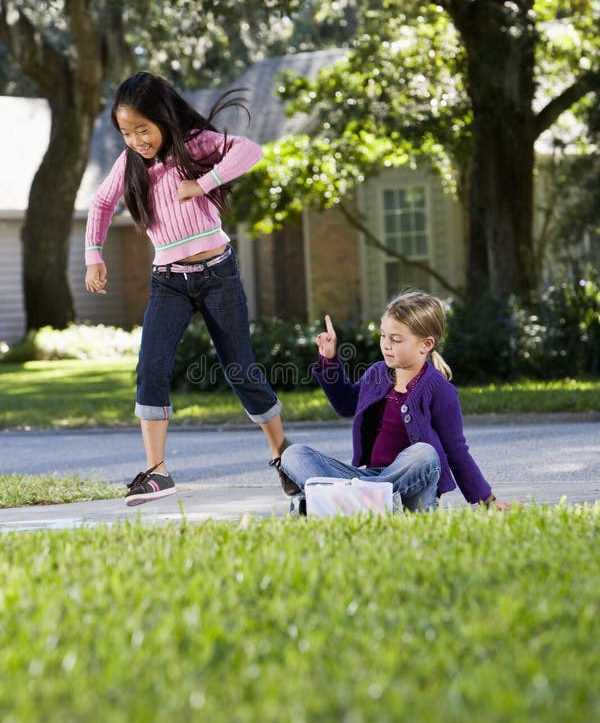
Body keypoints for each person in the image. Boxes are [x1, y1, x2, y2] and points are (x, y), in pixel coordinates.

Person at [85, 71, 296, 505]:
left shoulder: (194, 143)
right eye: (126, 132)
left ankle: (282, 453)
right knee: (151, 368)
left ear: (163, 118)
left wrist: (203, 183)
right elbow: (102, 202)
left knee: (240, 370)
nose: (136, 140)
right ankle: (157, 471)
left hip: (218, 274)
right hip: (169, 282)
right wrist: (94, 253)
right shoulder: (129, 165)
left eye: (143, 129)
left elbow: (249, 151)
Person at [280, 291, 510, 513]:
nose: (386, 344)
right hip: (369, 478)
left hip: (413, 489)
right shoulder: (376, 374)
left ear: (426, 344)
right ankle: (367, 502)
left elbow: (457, 451)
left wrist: (486, 499)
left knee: (424, 454)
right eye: (383, 335)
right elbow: (346, 404)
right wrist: (329, 360)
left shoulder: (440, 390)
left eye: (396, 339)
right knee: (293, 454)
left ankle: (342, 502)